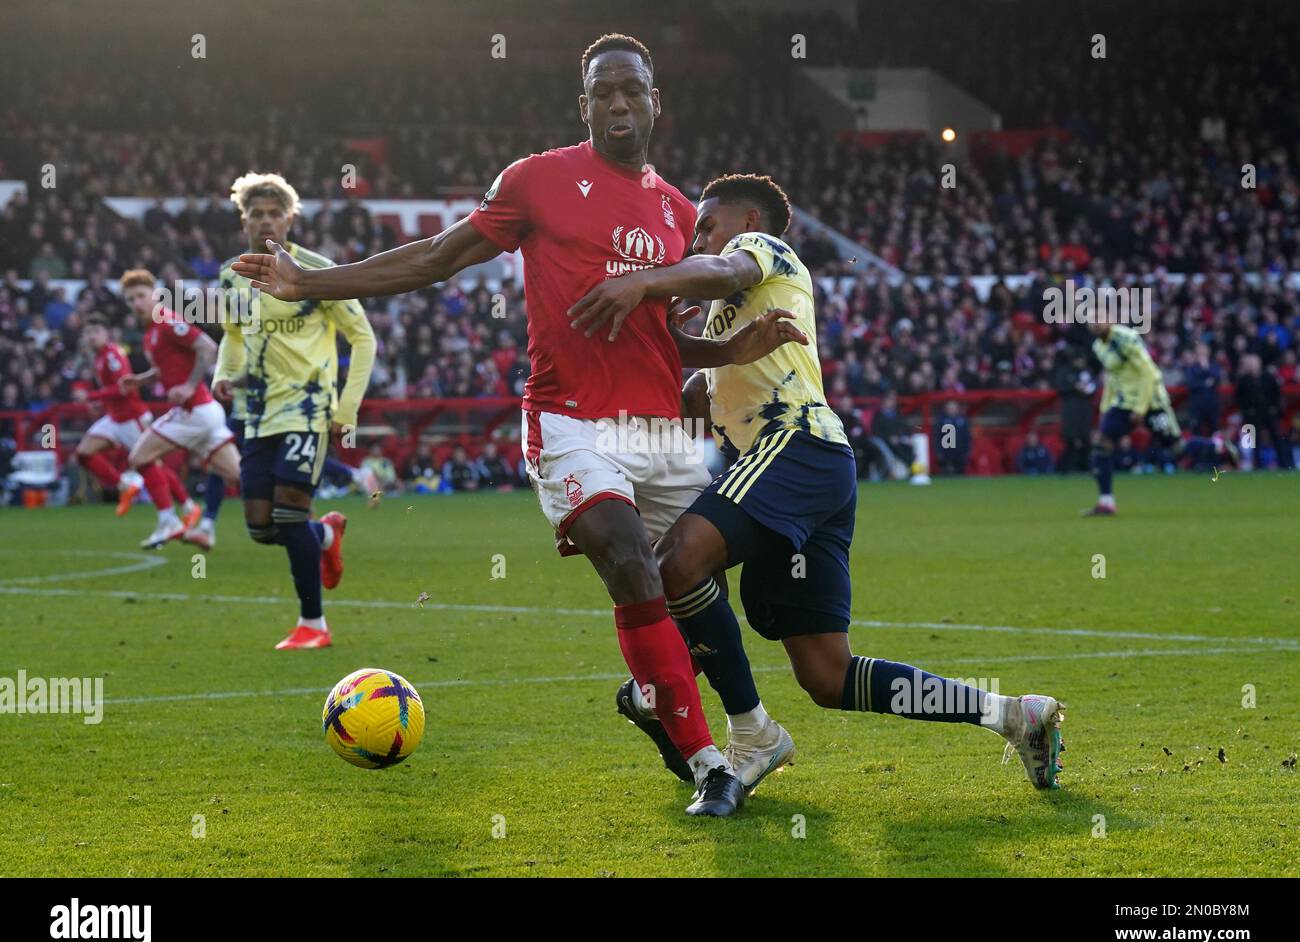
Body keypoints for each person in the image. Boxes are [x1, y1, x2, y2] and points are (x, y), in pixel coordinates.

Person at [230, 36, 804, 815]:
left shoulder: (677, 212)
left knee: (694, 586)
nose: (619, 105)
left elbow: (663, 335)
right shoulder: (537, 180)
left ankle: (744, 729)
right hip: (569, 417)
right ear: (584, 105)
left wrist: (729, 348)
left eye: (632, 90)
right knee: (629, 557)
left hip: (659, 430)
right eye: (603, 92)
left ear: (655, 100)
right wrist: (311, 282)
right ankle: (709, 763)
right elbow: (438, 255)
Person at [571, 173, 1067, 794]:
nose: (696, 237)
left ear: (748, 222)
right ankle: (1015, 716)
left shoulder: (768, 255)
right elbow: (685, 398)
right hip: (813, 473)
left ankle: (746, 734)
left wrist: (643, 280)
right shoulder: (731, 324)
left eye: (707, 225)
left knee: (675, 564)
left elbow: (723, 274)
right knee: (827, 676)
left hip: (795, 446)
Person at [214, 172, 375, 650]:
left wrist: (347, 408)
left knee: (287, 517)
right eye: (256, 214)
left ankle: (313, 625)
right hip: (256, 412)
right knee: (261, 527)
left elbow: (363, 337)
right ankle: (325, 536)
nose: (265, 221)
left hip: (308, 409)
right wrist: (223, 373)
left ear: (290, 219)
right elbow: (235, 335)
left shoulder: (314, 272)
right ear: (244, 220)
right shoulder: (231, 274)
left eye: (273, 213)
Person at [118, 270, 241, 548]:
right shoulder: (151, 332)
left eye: (140, 295)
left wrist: (189, 385)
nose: (136, 303)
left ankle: (168, 520)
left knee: (139, 458)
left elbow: (207, 347)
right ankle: (297, 513)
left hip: (193, 410)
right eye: (130, 299)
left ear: (155, 294)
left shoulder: (167, 320)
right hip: (204, 413)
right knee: (238, 476)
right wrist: (141, 379)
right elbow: (165, 368)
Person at [74, 314, 199, 526]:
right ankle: (124, 485)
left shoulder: (113, 355)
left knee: (153, 465)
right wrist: (100, 403)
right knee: (83, 453)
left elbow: (124, 388)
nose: (91, 336)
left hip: (132, 419)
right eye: (88, 333)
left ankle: (188, 505)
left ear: (106, 334)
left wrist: (92, 396)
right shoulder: (99, 356)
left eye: (96, 332)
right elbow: (113, 391)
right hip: (114, 419)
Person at [1082, 307, 1183, 516]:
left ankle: (1219, 449)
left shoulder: (1126, 338)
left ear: (1110, 320)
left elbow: (1148, 372)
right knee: (1101, 446)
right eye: (1090, 321)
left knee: (1177, 449)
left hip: (1151, 400)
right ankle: (1106, 502)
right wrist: (1105, 406)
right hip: (1124, 403)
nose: (1094, 324)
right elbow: (1113, 376)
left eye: (1098, 319)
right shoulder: (1098, 347)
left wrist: (1140, 408)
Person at [1235, 353, 1293, 470]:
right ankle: (1257, 465)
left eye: (1254, 363)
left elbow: (1276, 393)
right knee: (1254, 442)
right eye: (1249, 363)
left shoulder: (1268, 377)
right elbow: (1238, 398)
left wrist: (1274, 408)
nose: (1252, 366)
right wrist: (1247, 410)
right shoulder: (1243, 380)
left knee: (1276, 438)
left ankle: (1285, 464)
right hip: (1252, 415)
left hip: (1268, 412)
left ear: (1259, 363)